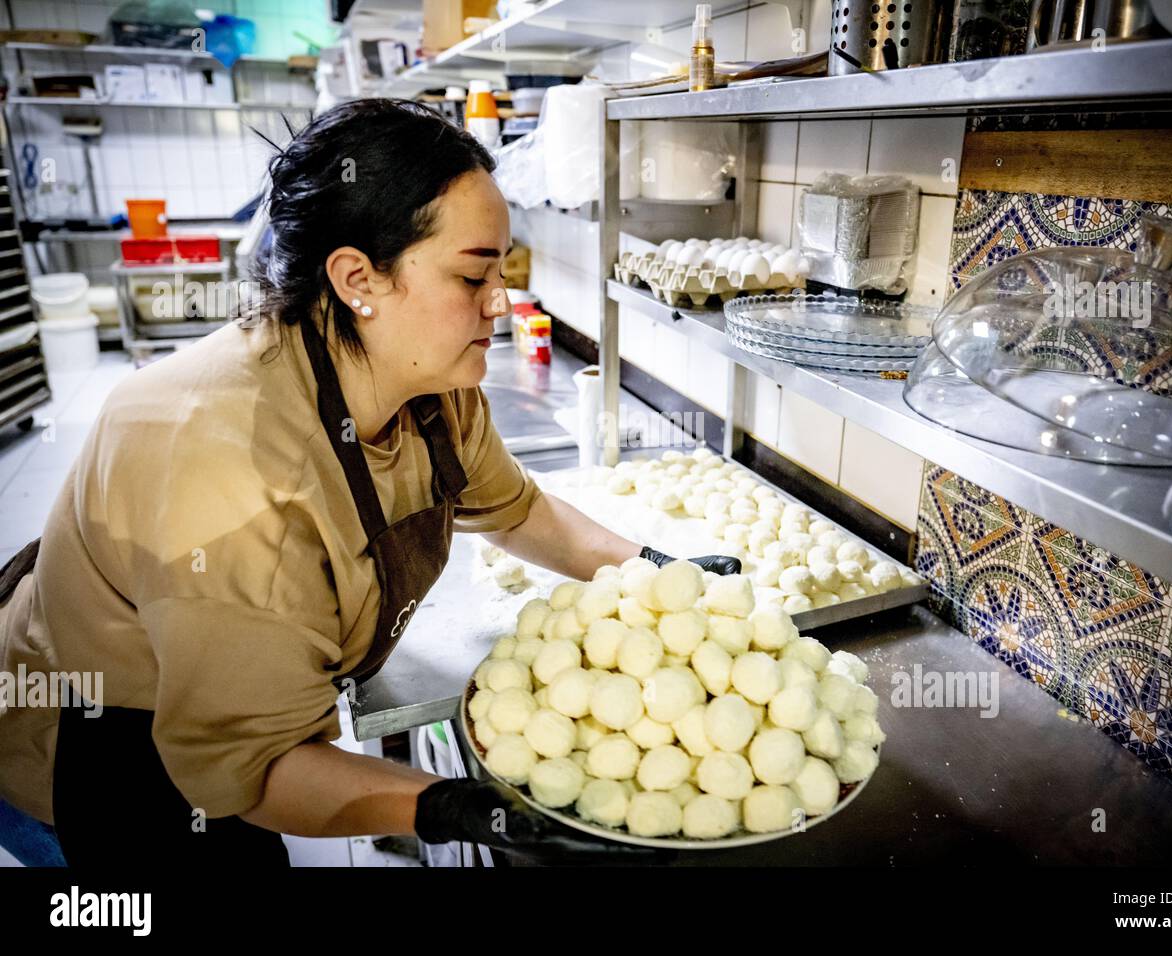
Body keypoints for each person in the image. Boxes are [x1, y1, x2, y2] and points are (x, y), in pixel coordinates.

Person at [0, 99, 738, 866]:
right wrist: (457, 805)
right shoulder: (225, 470)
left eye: (503, 273)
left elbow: (516, 511)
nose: (502, 303)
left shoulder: (430, 382)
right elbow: (262, 765)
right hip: (104, 744)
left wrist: (649, 569)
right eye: (473, 275)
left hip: (234, 721)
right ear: (358, 278)